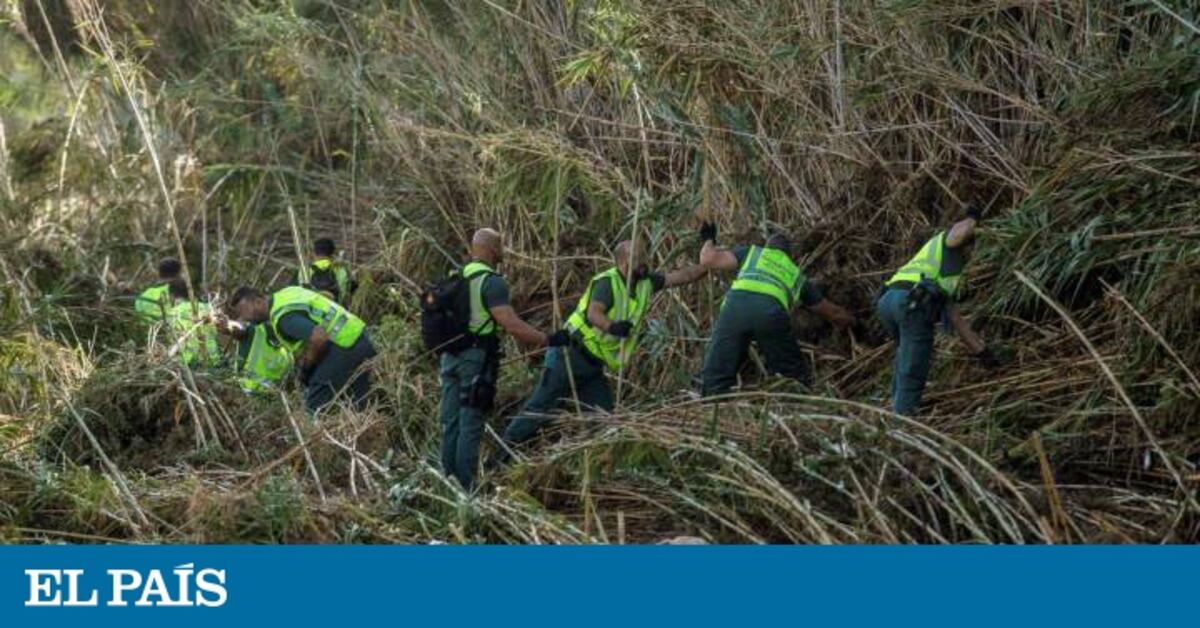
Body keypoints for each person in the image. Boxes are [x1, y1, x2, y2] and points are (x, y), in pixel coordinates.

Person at [500, 239, 708, 448]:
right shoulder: (607, 283)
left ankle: (594, 459)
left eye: (645, 256)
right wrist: (613, 327)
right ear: (623, 262)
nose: (645, 262)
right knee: (540, 407)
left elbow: (684, 276)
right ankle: (502, 455)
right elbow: (594, 313)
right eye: (638, 258)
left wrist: (708, 259)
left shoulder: (646, 283)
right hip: (570, 355)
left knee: (603, 418)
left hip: (593, 365)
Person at [438, 228, 569, 489]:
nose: (503, 252)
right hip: (475, 360)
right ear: (489, 249)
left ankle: (447, 480)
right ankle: (467, 486)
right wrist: (547, 339)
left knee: (450, 420)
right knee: (471, 419)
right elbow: (511, 324)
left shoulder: (456, 276)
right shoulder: (492, 282)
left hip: (449, 358)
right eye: (499, 246)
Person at [697, 224, 857, 395]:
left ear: (767, 247)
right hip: (770, 314)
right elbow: (832, 313)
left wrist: (709, 238)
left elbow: (708, 259)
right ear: (789, 256)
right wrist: (855, 322)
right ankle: (798, 398)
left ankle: (712, 404)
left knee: (716, 375)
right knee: (792, 373)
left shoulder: (752, 253)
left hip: (734, 310)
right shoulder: (795, 274)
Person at [876, 209, 997, 415]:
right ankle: (904, 422)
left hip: (889, 302)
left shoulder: (941, 267)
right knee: (914, 367)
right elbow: (958, 233)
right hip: (912, 304)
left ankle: (893, 410)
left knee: (904, 355)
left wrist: (983, 353)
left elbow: (955, 318)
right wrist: (973, 218)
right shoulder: (949, 242)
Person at [229, 284, 375, 414]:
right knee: (363, 403)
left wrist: (307, 366)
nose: (245, 318)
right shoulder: (288, 292)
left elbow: (319, 338)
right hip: (359, 336)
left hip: (343, 348)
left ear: (258, 301)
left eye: (244, 311)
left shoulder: (282, 317)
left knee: (314, 409)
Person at [165, 279, 222, 367]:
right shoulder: (207, 308)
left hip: (188, 363)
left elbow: (171, 339)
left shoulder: (172, 314)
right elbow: (216, 333)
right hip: (212, 360)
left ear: (172, 296)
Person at [235, 322, 293, 395]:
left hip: (274, 396)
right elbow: (236, 328)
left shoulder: (288, 351)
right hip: (248, 394)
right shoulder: (253, 331)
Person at [298, 238, 356, 306]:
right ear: (333, 253)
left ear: (314, 253)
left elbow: (301, 293)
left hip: (311, 308)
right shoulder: (340, 269)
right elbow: (344, 294)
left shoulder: (305, 270)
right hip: (334, 310)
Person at [135, 257, 182, 322]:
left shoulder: (143, 296)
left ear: (158, 273)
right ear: (179, 274)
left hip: (149, 331)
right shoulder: (182, 294)